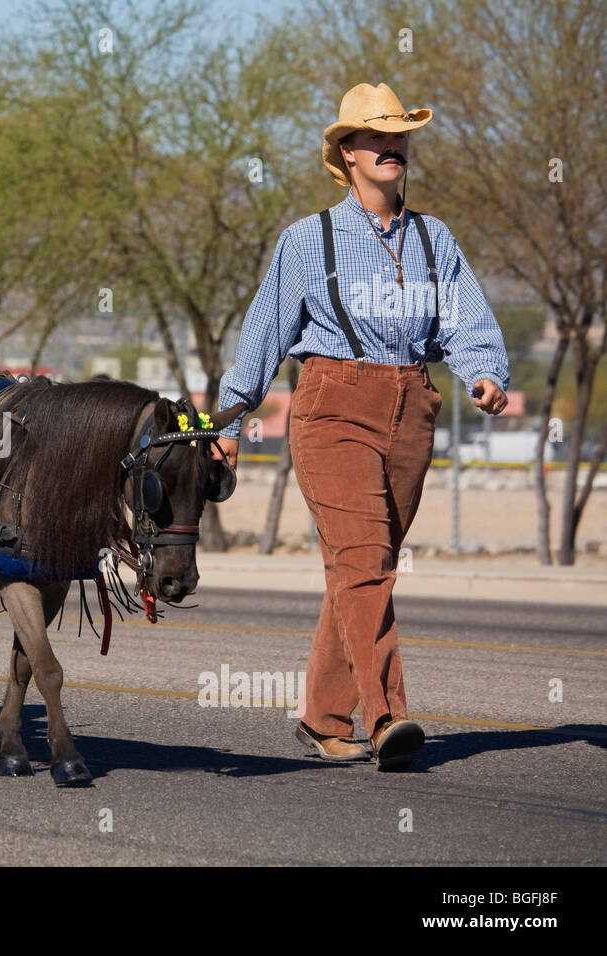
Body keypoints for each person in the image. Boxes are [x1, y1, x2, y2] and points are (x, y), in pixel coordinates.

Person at [215, 83, 510, 770]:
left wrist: (484, 373)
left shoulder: (435, 239)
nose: (393, 146)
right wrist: (229, 419)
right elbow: (263, 334)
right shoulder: (308, 239)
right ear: (347, 152)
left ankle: (322, 719)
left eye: (401, 135)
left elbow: (467, 322)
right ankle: (387, 719)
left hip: (412, 405)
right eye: (377, 136)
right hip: (331, 404)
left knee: (360, 569)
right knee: (367, 565)